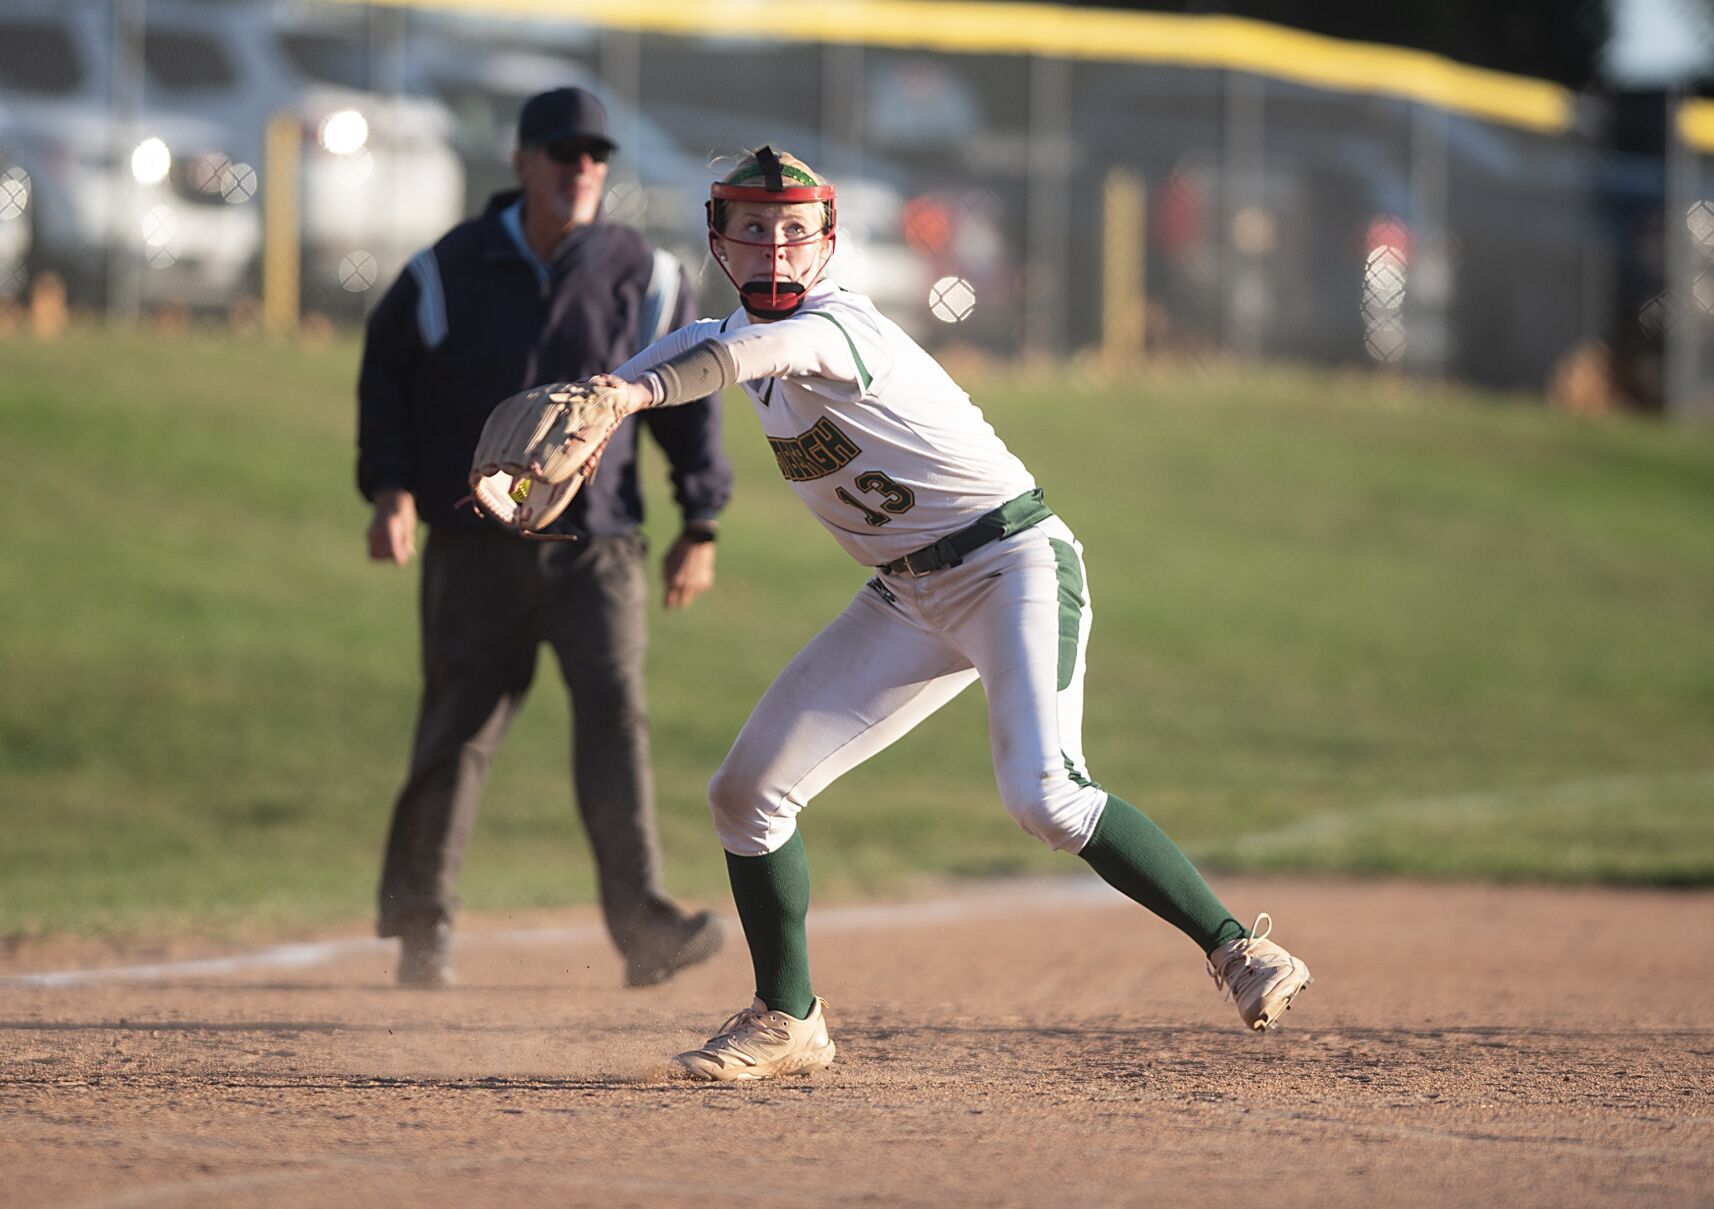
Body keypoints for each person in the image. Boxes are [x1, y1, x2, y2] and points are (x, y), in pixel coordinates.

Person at [589, 146, 1314, 1080]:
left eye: (795, 233)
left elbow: (738, 357)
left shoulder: (836, 326)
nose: (775, 250)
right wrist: (596, 399)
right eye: (754, 231)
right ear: (720, 243)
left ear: (827, 245)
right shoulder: (727, 328)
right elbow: (663, 359)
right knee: (746, 793)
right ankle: (789, 1018)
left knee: (1044, 795)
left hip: (1013, 563)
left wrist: (636, 390)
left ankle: (1238, 949)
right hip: (906, 592)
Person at [356, 87, 732, 990]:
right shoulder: (447, 270)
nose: (583, 168)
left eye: (596, 154)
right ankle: (422, 928)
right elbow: (388, 384)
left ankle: (645, 926)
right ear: (523, 162)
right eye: (564, 152)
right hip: (471, 542)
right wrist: (391, 490)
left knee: (615, 724)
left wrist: (701, 519)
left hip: (598, 545)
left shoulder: (645, 274)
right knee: (457, 730)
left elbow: (689, 396)